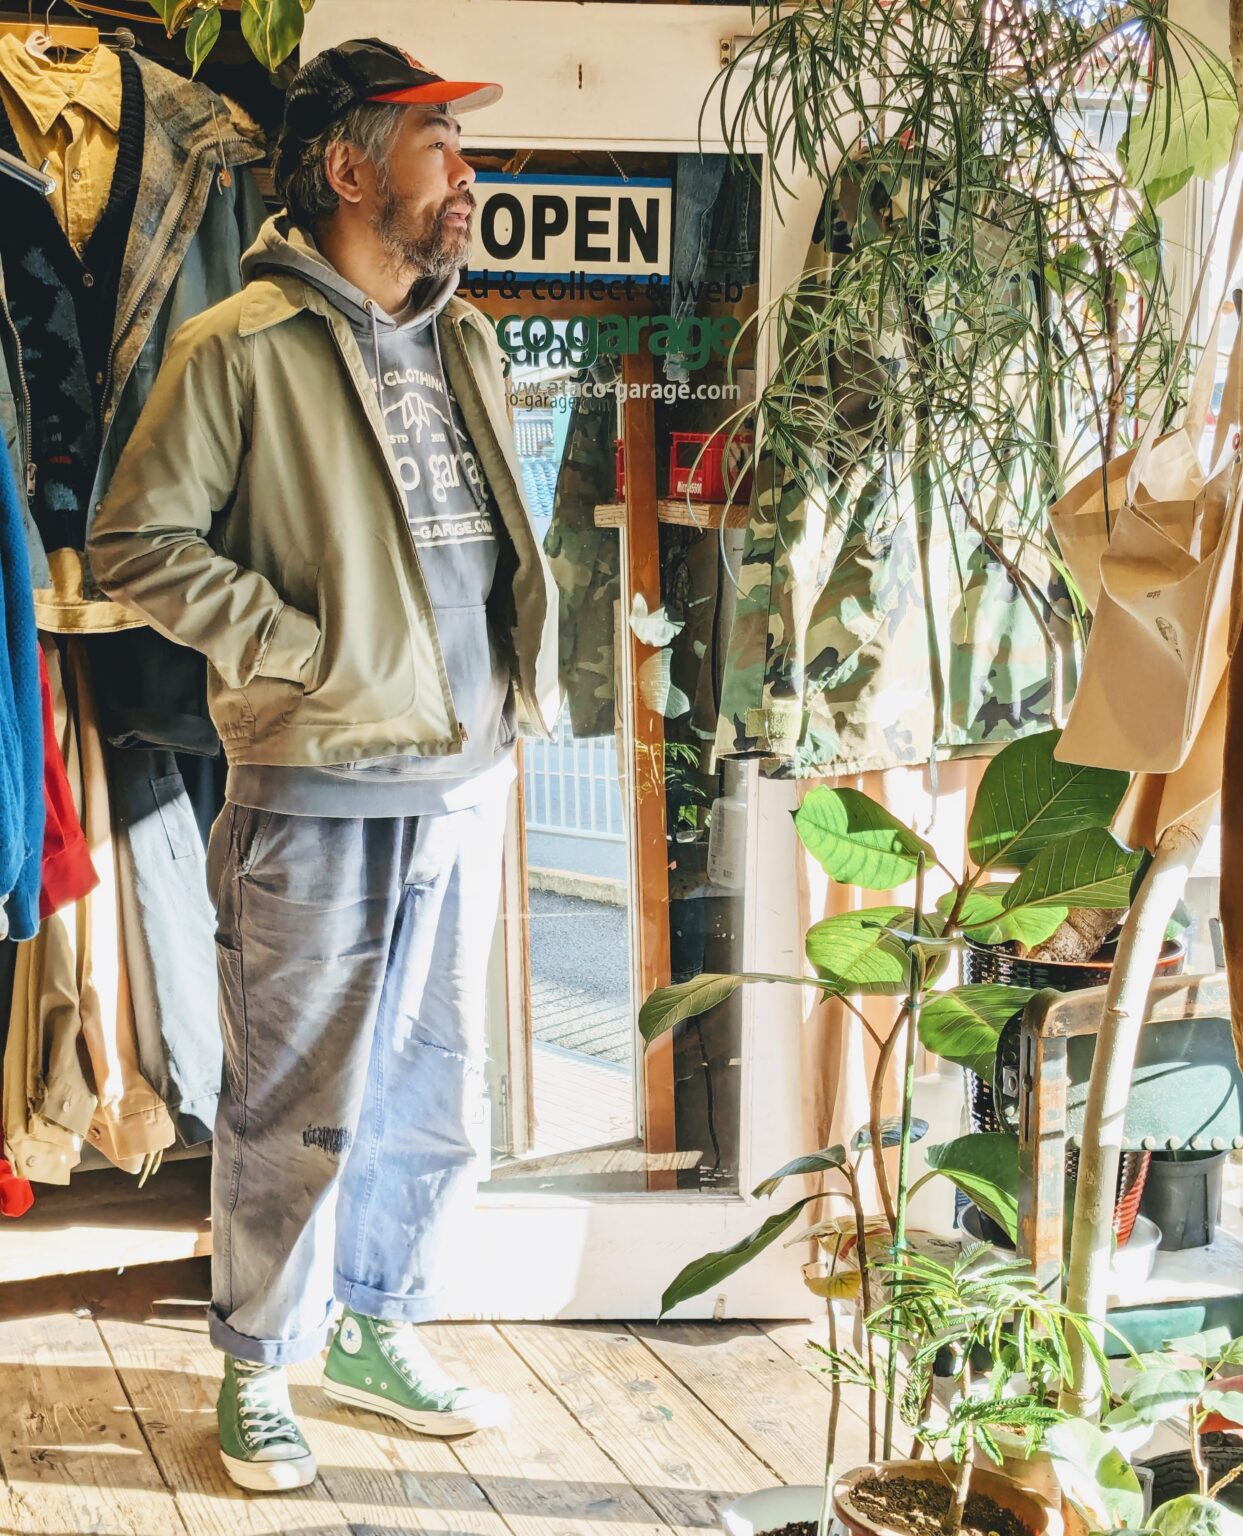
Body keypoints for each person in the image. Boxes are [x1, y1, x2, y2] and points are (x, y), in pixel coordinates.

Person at [88, 38, 560, 1492]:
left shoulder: (463, 334)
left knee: (435, 1088)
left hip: (465, 779)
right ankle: (257, 1362)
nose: (466, 176)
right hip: (317, 784)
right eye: (438, 149)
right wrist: (297, 652)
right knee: (294, 1093)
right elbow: (135, 545)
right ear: (352, 169)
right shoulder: (237, 345)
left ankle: (380, 1325)